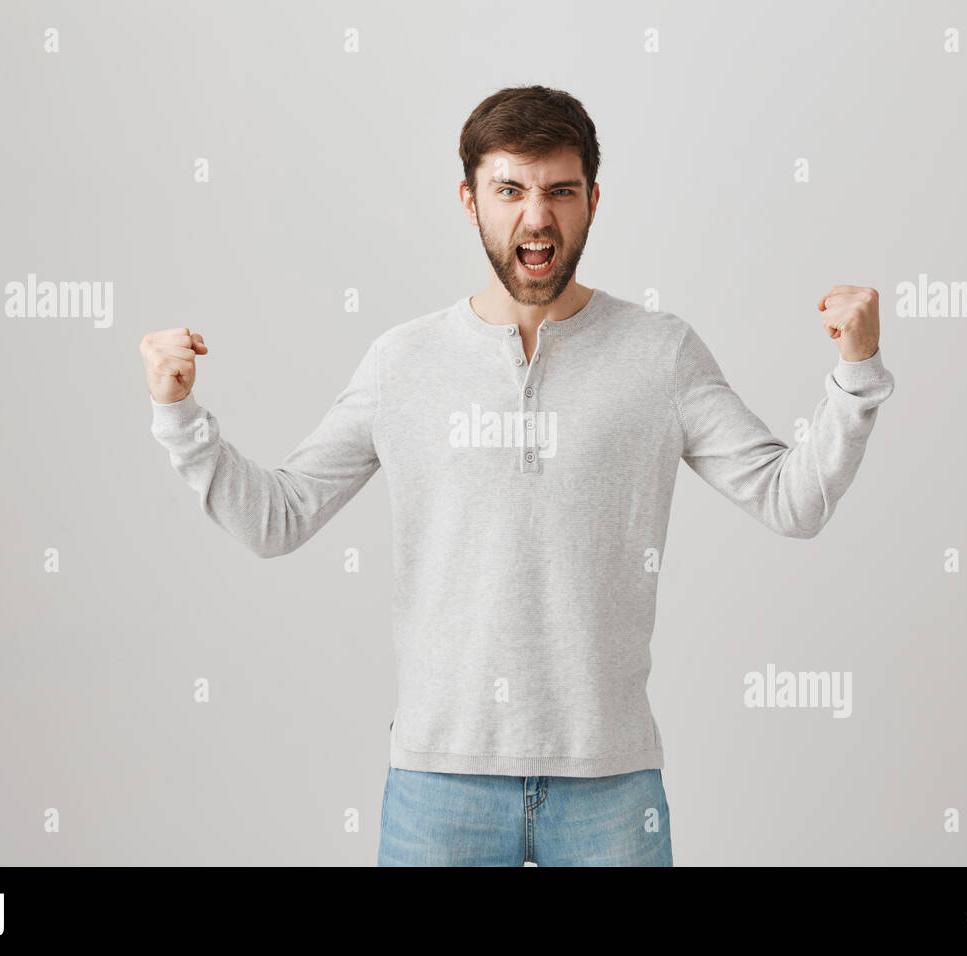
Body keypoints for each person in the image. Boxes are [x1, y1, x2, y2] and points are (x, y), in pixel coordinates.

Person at [139, 85, 896, 866]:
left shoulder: (658, 353)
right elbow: (280, 518)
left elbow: (791, 501)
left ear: (593, 200)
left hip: (609, 784)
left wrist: (856, 373)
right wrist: (180, 418)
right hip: (440, 783)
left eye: (560, 191)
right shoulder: (403, 361)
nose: (537, 217)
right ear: (469, 201)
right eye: (510, 190)